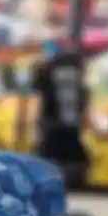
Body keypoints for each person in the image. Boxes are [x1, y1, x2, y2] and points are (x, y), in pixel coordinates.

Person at [32, 38, 91, 187]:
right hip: (70, 122)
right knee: (70, 150)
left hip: (53, 120)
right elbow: (84, 92)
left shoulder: (46, 67)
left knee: (50, 151)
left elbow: (37, 87)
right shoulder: (77, 66)